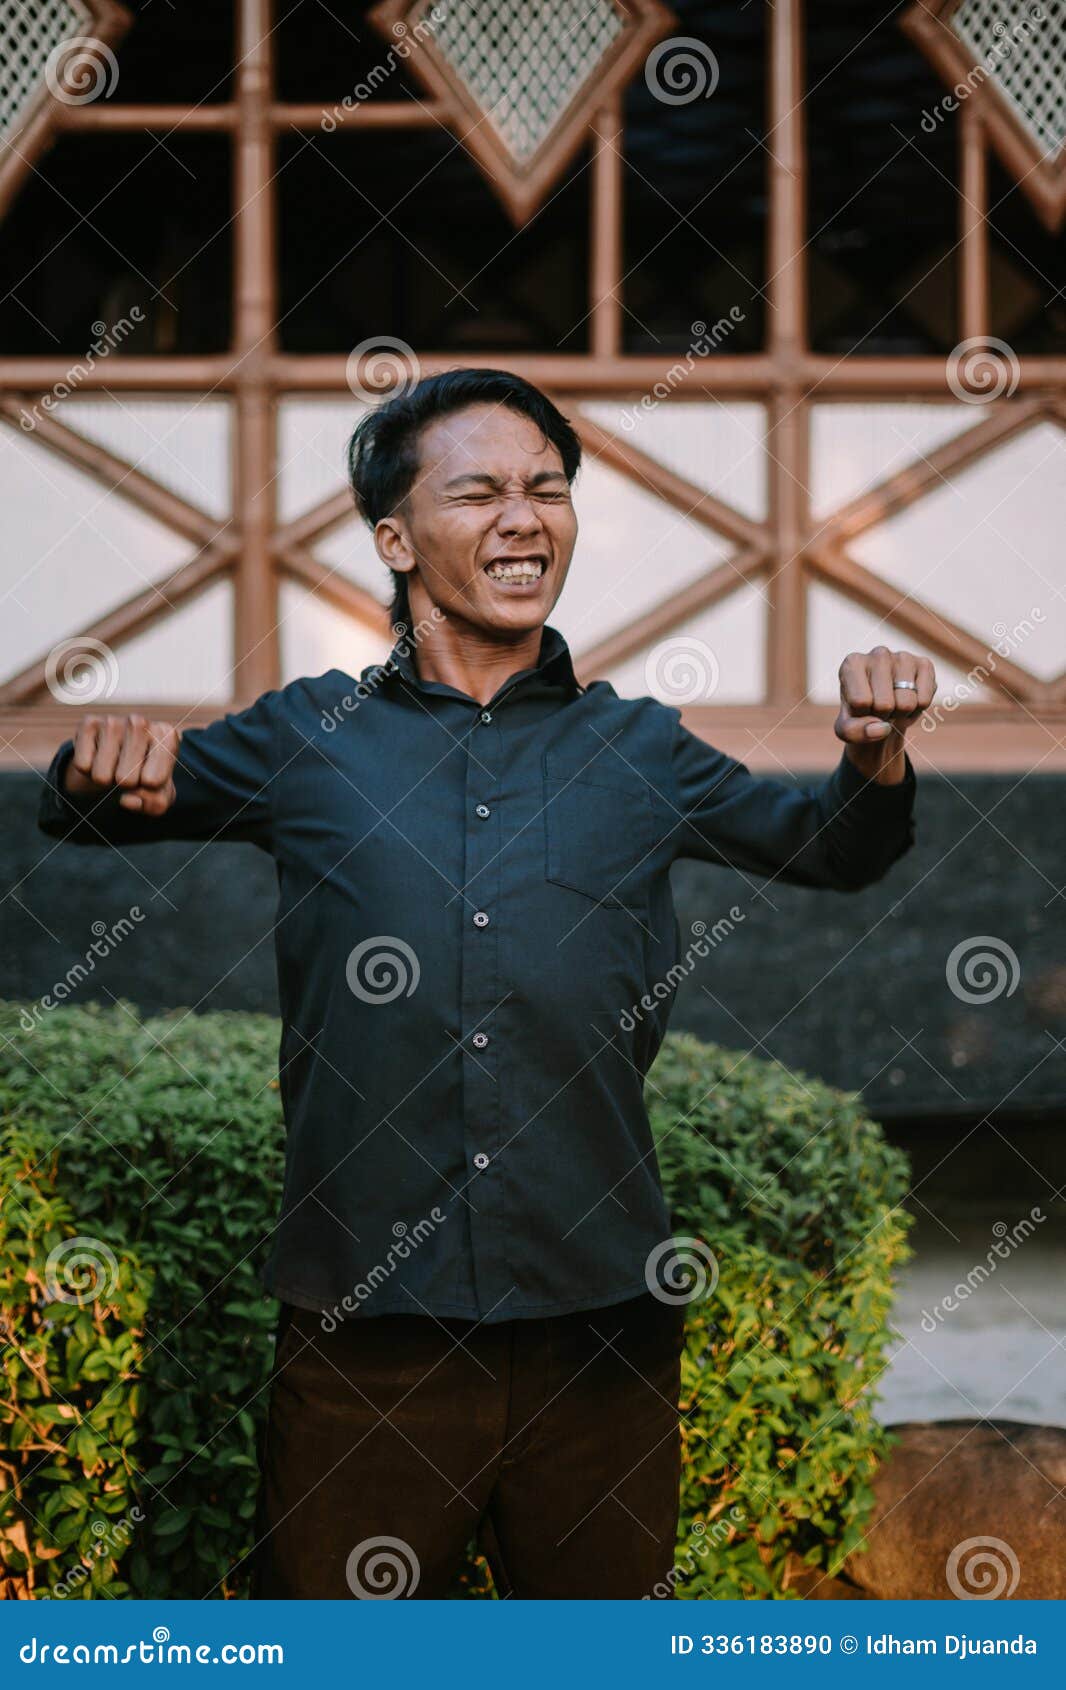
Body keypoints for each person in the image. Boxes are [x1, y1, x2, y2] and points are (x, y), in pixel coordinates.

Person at [37, 369, 930, 1599]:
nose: (524, 517)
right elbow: (98, 809)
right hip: (367, 1339)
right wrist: (94, 770)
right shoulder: (309, 739)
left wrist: (873, 757)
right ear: (395, 538)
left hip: (600, 1328)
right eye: (480, 492)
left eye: (546, 489)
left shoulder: (640, 749)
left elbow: (834, 847)